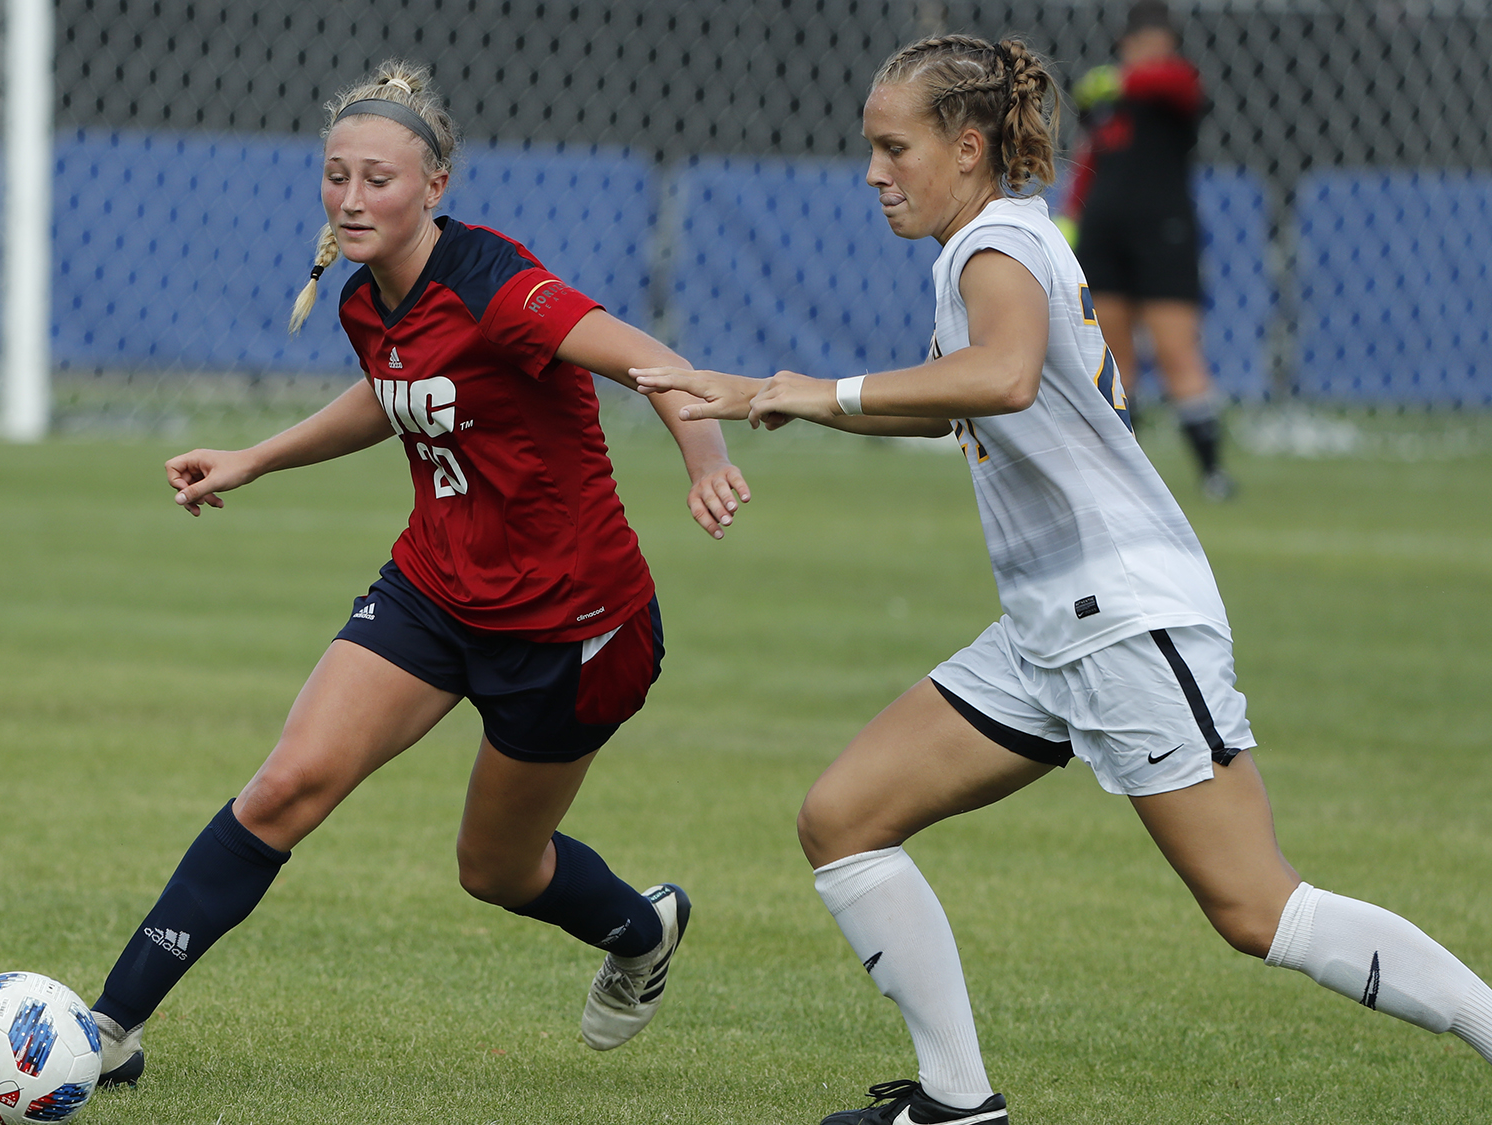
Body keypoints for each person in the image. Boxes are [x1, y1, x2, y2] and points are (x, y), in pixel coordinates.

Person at [635, 33, 1492, 1124]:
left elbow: (993, 376)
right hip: (1049, 627)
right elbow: (971, 397)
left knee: (1255, 909)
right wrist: (772, 390)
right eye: (869, 149)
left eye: (893, 147)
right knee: (841, 817)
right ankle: (954, 1103)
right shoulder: (999, 241)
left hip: (1125, 619)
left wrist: (819, 391)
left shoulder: (989, 248)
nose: (871, 172)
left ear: (967, 144)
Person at [84, 60, 754, 1088]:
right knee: (282, 789)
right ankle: (107, 1030)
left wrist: (705, 460)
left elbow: (648, 359)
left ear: (435, 186)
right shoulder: (367, 301)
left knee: (493, 870)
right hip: (433, 591)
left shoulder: (500, 286)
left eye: (379, 180)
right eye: (337, 177)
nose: (352, 199)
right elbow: (393, 394)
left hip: (570, 626)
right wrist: (255, 457)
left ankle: (639, 931)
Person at [1060, 0, 1235, 500]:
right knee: (1114, 359)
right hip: (1103, 235)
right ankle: (1119, 474)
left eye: (1161, 47)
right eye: (1142, 46)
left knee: (1177, 350)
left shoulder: (1173, 89)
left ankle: (1211, 472)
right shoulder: (1106, 101)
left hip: (1164, 234)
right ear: (1126, 45)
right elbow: (1087, 160)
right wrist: (1071, 218)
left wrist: (1120, 79)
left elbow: (1177, 84)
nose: (1151, 56)